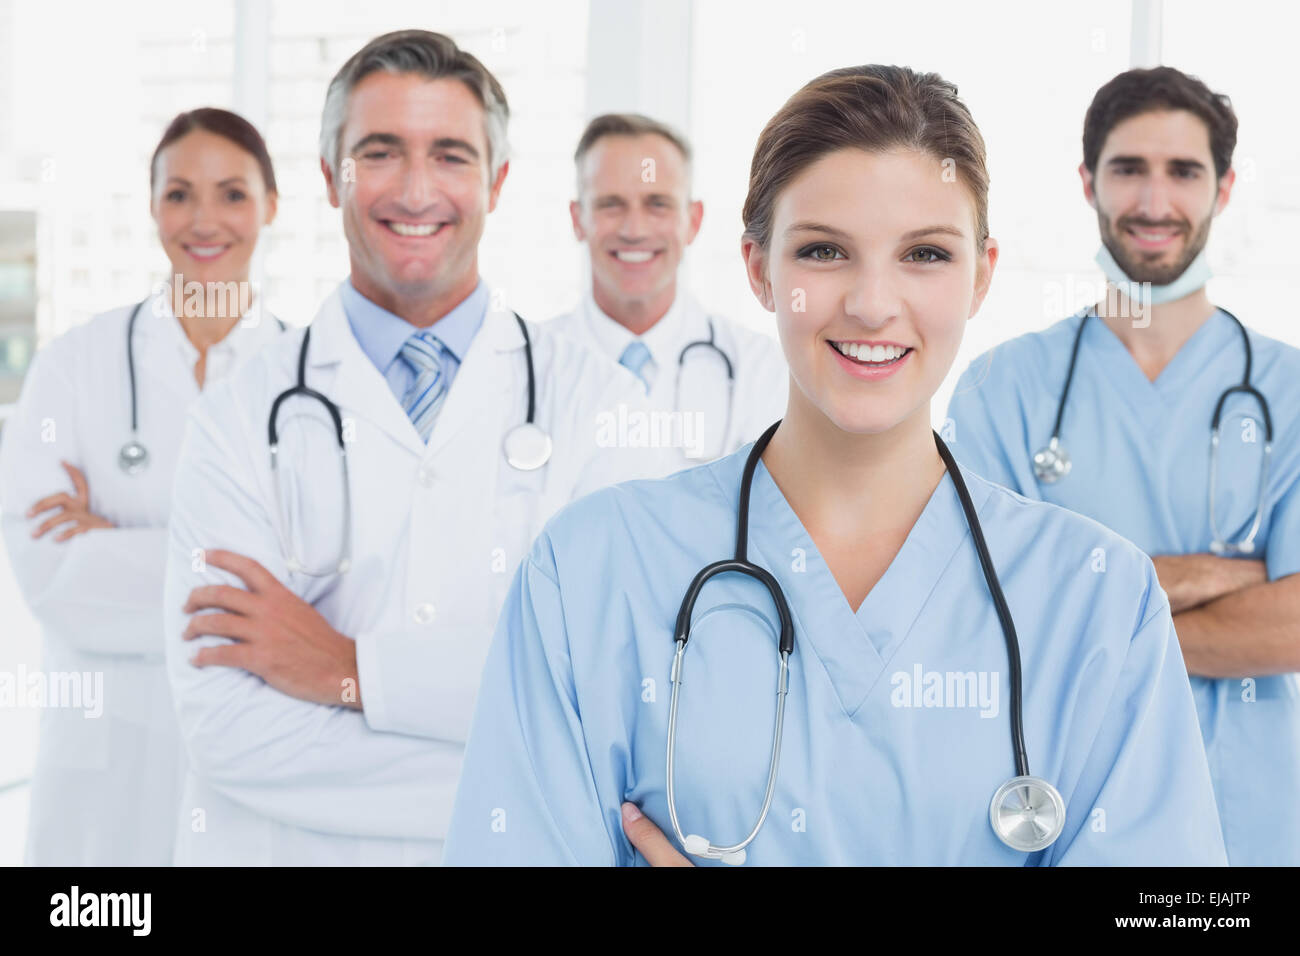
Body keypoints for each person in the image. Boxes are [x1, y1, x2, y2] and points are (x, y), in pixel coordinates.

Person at [442, 65, 1227, 866]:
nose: (872, 303)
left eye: (924, 253)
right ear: (759, 269)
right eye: (823, 251)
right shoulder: (588, 572)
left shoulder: (1097, 597)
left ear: (982, 275)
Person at [161, 30, 671, 866]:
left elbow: (617, 702)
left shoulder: (605, 406)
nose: (417, 189)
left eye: (451, 155)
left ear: (497, 182)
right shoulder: (234, 419)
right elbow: (229, 731)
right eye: (381, 152)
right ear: (331, 176)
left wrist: (346, 669)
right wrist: (529, 767)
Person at [944, 66, 1300, 866]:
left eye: (1184, 171)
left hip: (1251, 829)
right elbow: (984, 619)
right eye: (1128, 168)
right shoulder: (1003, 388)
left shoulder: (1292, 394)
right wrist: (1229, 577)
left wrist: (1087, 609)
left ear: (1225, 188)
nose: (1153, 201)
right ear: (1088, 181)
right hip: (1057, 822)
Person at [0, 108, 283, 865]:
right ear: (153, 206)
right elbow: (54, 579)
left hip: (254, 764)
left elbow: (331, 585)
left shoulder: (306, 380)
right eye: (178, 194)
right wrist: (248, 588)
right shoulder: (73, 366)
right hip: (102, 767)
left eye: (232, 194)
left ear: (272, 206)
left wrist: (113, 544)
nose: (204, 220)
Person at [549, 114, 787, 464]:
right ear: (577, 219)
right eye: (610, 204)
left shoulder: (760, 368)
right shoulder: (533, 365)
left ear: (693, 221)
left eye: (657, 204)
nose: (634, 229)